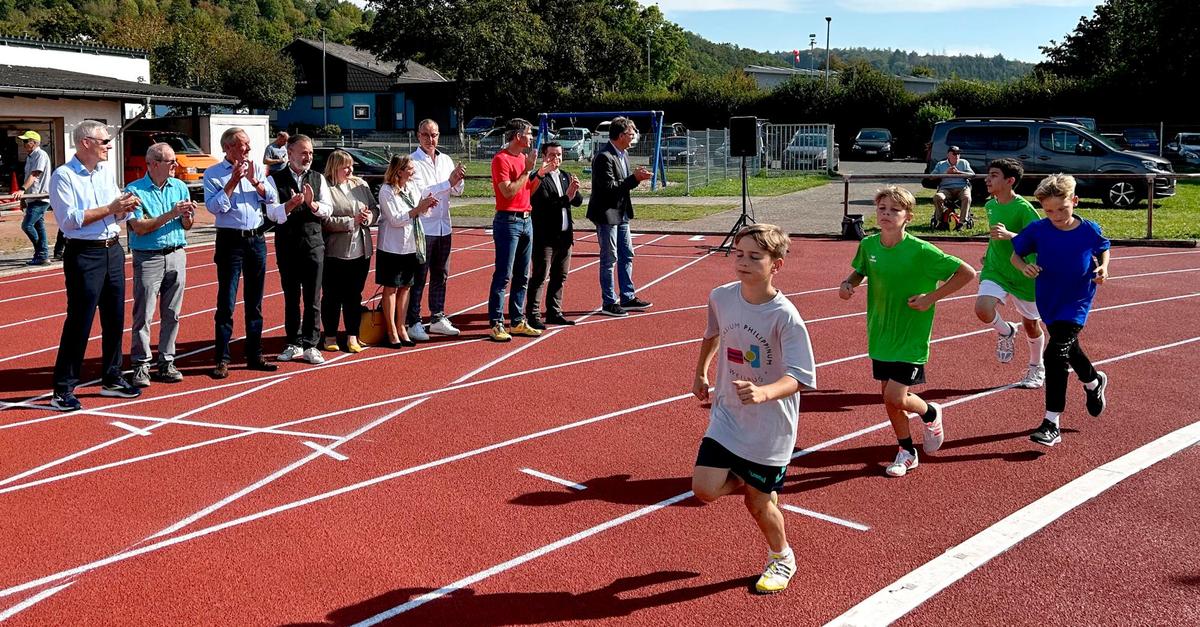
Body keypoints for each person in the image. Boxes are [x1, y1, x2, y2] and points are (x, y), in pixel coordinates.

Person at [691, 224, 816, 595]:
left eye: (755, 256)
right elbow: (713, 333)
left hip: (770, 425)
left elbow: (800, 376)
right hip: (728, 413)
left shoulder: (785, 316)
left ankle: (782, 557)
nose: (743, 262)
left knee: (759, 505)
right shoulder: (722, 296)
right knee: (703, 488)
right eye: (739, 254)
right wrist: (701, 371)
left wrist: (764, 393)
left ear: (776, 265)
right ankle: (749, 480)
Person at [839, 185, 976, 477]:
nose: (887, 215)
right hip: (880, 332)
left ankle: (929, 412)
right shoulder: (869, 245)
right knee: (888, 397)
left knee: (896, 397)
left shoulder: (922, 251)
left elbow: (966, 272)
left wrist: (930, 298)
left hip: (911, 335)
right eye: (882, 209)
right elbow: (860, 270)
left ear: (908, 217)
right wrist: (848, 284)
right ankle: (906, 450)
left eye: (894, 210)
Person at [47, 120, 143, 411]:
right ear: (85, 143)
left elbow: (113, 215)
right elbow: (69, 220)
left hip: (112, 250)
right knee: (80, 321)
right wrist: (111, 209)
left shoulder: (104, 173)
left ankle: (112, 378)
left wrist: (125, 209)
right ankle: (63, 389)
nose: (109, 147)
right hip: (84, 254)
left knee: (115, 318)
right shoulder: (63, 176)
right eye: (104, 142)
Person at [1011, 174, 1110, 447]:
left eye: (1062, 208)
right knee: (1068, 347)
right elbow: (1015, 254)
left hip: (1077, 299)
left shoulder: (1088, 229)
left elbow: (1103, 248)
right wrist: (1024, 267)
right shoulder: (1038, 230)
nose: (1055, 215)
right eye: (1049, 210)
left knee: (1055, 356)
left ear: (1074, 201)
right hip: (1049, 297)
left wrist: (1103, 268)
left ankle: (1051, 422)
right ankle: (1093, 381)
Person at [204, 127, 280, 379]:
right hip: (230, 242)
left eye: (248, 145)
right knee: (226, 302)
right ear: (227, 148)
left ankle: (254, 353)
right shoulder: (213, 174)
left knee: (255, 301)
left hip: (256, 239)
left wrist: (253, 181)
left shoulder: (256, 168)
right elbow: (215, 207)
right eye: (242, 145)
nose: (247, 149)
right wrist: (233, 181)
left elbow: (271, 198)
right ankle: (222, 358)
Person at [126, 142, 195, 387]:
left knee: (172, 313)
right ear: (154, 164)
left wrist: (186, 217)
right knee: (144, 314)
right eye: (171, 161)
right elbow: (139, 227)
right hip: (149, 256)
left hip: (177, 253)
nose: (175, 165)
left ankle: (166, 361)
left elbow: (187, 225)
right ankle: (141, 364)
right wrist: (173, 214)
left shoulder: (179, 187)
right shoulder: (133, 191)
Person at [975, 158, 1045, 388]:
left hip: (1023, 272)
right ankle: (1006, 332)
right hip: (996, 268)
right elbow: (995, 236)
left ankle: (1037, 367)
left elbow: (1039, 240)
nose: (988, 179)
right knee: (983, 309)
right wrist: (989, 254)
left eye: (994, 175)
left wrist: (1011, 235)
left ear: (1010, 181)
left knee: (1031, 324)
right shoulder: (990, 205)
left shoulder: (1024, 208)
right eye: (988, 174)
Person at [265, 134, 332, 366]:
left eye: (311, 153)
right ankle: (293, 342)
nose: (308, 157)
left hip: (313, 244)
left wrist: (313, 205)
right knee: (291, 298)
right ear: (289, 153)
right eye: (304, 152)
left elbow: (328, 208)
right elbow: (271, 213)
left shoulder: (318, 178)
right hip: (288, 246)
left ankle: (311, 344)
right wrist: (289, 205)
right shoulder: (275, 180)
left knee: (313, 298)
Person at [587, 116, 653, 317]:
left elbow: (622, 185)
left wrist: (633, 178)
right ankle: (609, 302)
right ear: (621, 135)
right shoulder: (604, 157)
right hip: (607, 214)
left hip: (622, 213)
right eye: (631, 134)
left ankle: (627, 296)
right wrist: (634, 179)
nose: (634, 137)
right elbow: (608, 188)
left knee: (627, 254)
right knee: (610, 258)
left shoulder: (622, 154)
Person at [407, 119, 467, 340]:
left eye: (434, 135)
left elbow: (457, 191)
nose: (430, 140)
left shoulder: (446, 159)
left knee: (441, 274)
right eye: (426, 135)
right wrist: (448, 183)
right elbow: (421, 193)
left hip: (444, 226)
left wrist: (458, 180)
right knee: (419, 276)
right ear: (418, 135)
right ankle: (412, 320)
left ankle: (437, 316)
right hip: (424, 227)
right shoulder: (412, 162)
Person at [486, 117, 544, 342]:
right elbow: (508, 192)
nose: (531, 137)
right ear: (518, 136)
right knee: (503, 275)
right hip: (508, 221)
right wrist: (527, 172)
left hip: (526, 220)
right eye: (529, 134)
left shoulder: (523, 159)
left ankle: (518, 320)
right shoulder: (501, 160)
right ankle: (496, 322)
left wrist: (538, 174)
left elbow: (527, 190)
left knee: (523, 275)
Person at [320, 149, 378, 353]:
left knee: (354, 295)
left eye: (351, 165)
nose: (350, 169)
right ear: (334, 167)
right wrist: (350, 221)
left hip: (361, 250)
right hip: (336, 250)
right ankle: (329, 335)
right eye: (345, 166)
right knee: (332, 296)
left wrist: (369, 217)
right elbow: (324, 220)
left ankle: (352, 335)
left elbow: (374, 207)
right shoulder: (326, 187)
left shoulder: (360, 184)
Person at [377, 154, 437, 348]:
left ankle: (401, 326)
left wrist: (427, 206)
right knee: (391, 287)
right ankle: (391, 329)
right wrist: (419, 208)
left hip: (411, 244)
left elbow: (420, 212)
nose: (413, 171)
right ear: (399, 170)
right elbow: (395, 219)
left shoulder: (411, 187)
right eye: (410, 168)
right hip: (392, 247)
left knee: (406, 287)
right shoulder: (387, 191)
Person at [526, 141, 582, 329]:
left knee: (560, 276)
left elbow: (577, 201)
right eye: (551, 155)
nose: (555, 158)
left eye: (558, 155)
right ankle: (533, 314)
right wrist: (567, 196)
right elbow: (546, 206)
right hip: (545, 237)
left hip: (565, 237)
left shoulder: (565, 175)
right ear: (544, 156)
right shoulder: (538, 178)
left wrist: (575, 189)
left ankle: (554, 312)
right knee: (540, 276)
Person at [13, 130, 52, 265]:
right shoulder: (30, 157)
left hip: (40, 197)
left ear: (34, 143)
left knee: (27, 225)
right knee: (39, 226)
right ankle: (43, 255)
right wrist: (24, 198)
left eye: (26, 141)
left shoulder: (40, 155)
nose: (23, 144)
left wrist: (22, 190)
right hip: (32, 197)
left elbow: (35, 174)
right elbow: (28, 176)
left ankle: (41, 253)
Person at [930, 145, 975, 229]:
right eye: (954, 154)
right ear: (948, 155)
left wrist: (959, 173)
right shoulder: (941, 164)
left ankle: (961, 222)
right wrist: (945, 173)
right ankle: (940, 221)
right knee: (937, 197)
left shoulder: (964, 163)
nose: (957, 156)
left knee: (967, 197)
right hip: (946, 189)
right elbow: (932, 176)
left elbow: (972, 175)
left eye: (958, 154)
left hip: (962, 188)